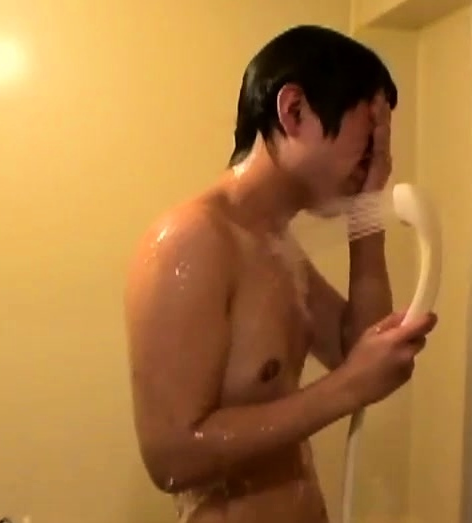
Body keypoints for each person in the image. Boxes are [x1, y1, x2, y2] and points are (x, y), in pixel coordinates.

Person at [123, 25, 439, 523]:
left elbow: (361, 347)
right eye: (368, 138)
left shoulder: (275, 248)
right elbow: (171, 457)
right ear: (294, 111)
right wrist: (347, 388)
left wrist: (369, 205)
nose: (374, 158)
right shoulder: (192, 240)